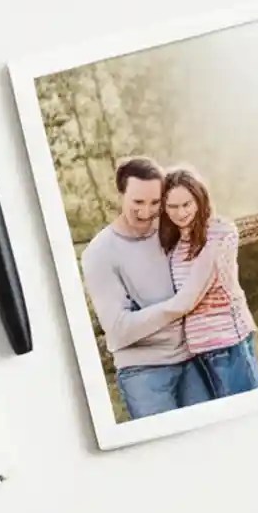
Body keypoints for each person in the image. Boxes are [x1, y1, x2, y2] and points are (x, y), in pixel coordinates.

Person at [81, 157, 210, 419]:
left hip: (191, 359)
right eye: (137, 202)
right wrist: (177, 306)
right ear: (120, 193)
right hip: (143, 370)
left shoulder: (171, 230)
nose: (148, 211)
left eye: (155, 202)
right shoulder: (100, 253)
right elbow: (119, 328)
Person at [160, 167, 258, 398]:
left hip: (228, 343)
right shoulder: (173, 246)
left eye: (187, 204)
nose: (180, 213)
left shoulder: (220, 232)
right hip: (197, 351)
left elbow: (191, 295)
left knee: (245, 416)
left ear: (199, 199)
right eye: (172, 207)